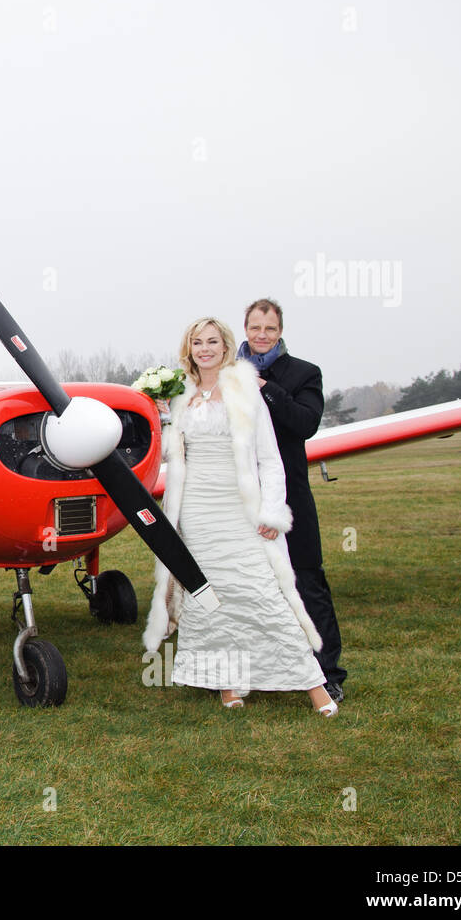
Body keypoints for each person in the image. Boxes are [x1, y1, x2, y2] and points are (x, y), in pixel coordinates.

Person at [142, 316, 337, 716]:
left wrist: (271, 509)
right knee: (209, 599)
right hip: (196, 510)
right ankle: (227, 683)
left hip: (237, 506)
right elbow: (167, 454)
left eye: (213, 341)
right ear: (189, 348)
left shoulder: (244, 388)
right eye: (198, 342)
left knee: (263, 592)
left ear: (226, 346)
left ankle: (314, 685)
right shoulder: (180, 394)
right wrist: (161, 416)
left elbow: (270, 457)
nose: (205, 349)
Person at [240, 299, 347, 704]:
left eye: (269, 328)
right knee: (248, 585)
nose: (262, 335)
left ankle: (328, 673)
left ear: (280, 330)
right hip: (242, 498)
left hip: (291, 497)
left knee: (307, 581)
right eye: (255, 328)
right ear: (246, 329)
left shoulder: (304, 373)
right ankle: (252, 672)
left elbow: (306, 423)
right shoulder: (229, 374)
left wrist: (267, 390)